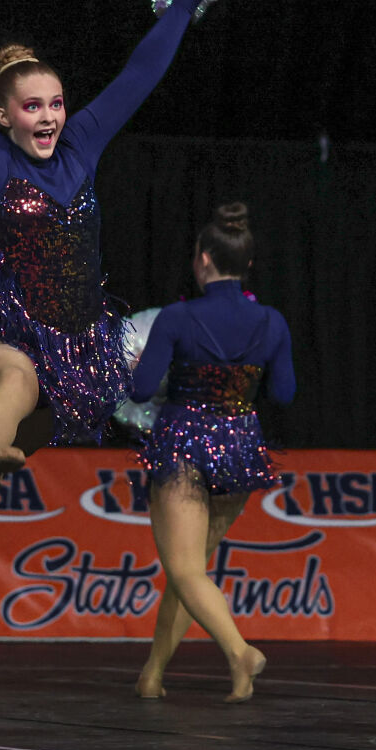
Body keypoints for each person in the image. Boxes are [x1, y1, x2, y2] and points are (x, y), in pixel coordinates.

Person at [0, 0, 207, 497]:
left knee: (66, 413)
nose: (48, 117)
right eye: (32, 107)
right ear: (3, 116)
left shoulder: (79, 148)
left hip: (77, 353)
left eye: (57, 104)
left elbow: (139, 74)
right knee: (16, 381)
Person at [129, 203, 294, 703]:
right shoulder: (271, 321)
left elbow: (139, 390)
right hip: (239, 449)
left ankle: (240, 651)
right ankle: (152, 675)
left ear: (202, 260)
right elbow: (284, 394)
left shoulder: (179, 317)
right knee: (192, 570)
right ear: (247, 266)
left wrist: (140, 365)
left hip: (183, 444)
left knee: (183, 571)